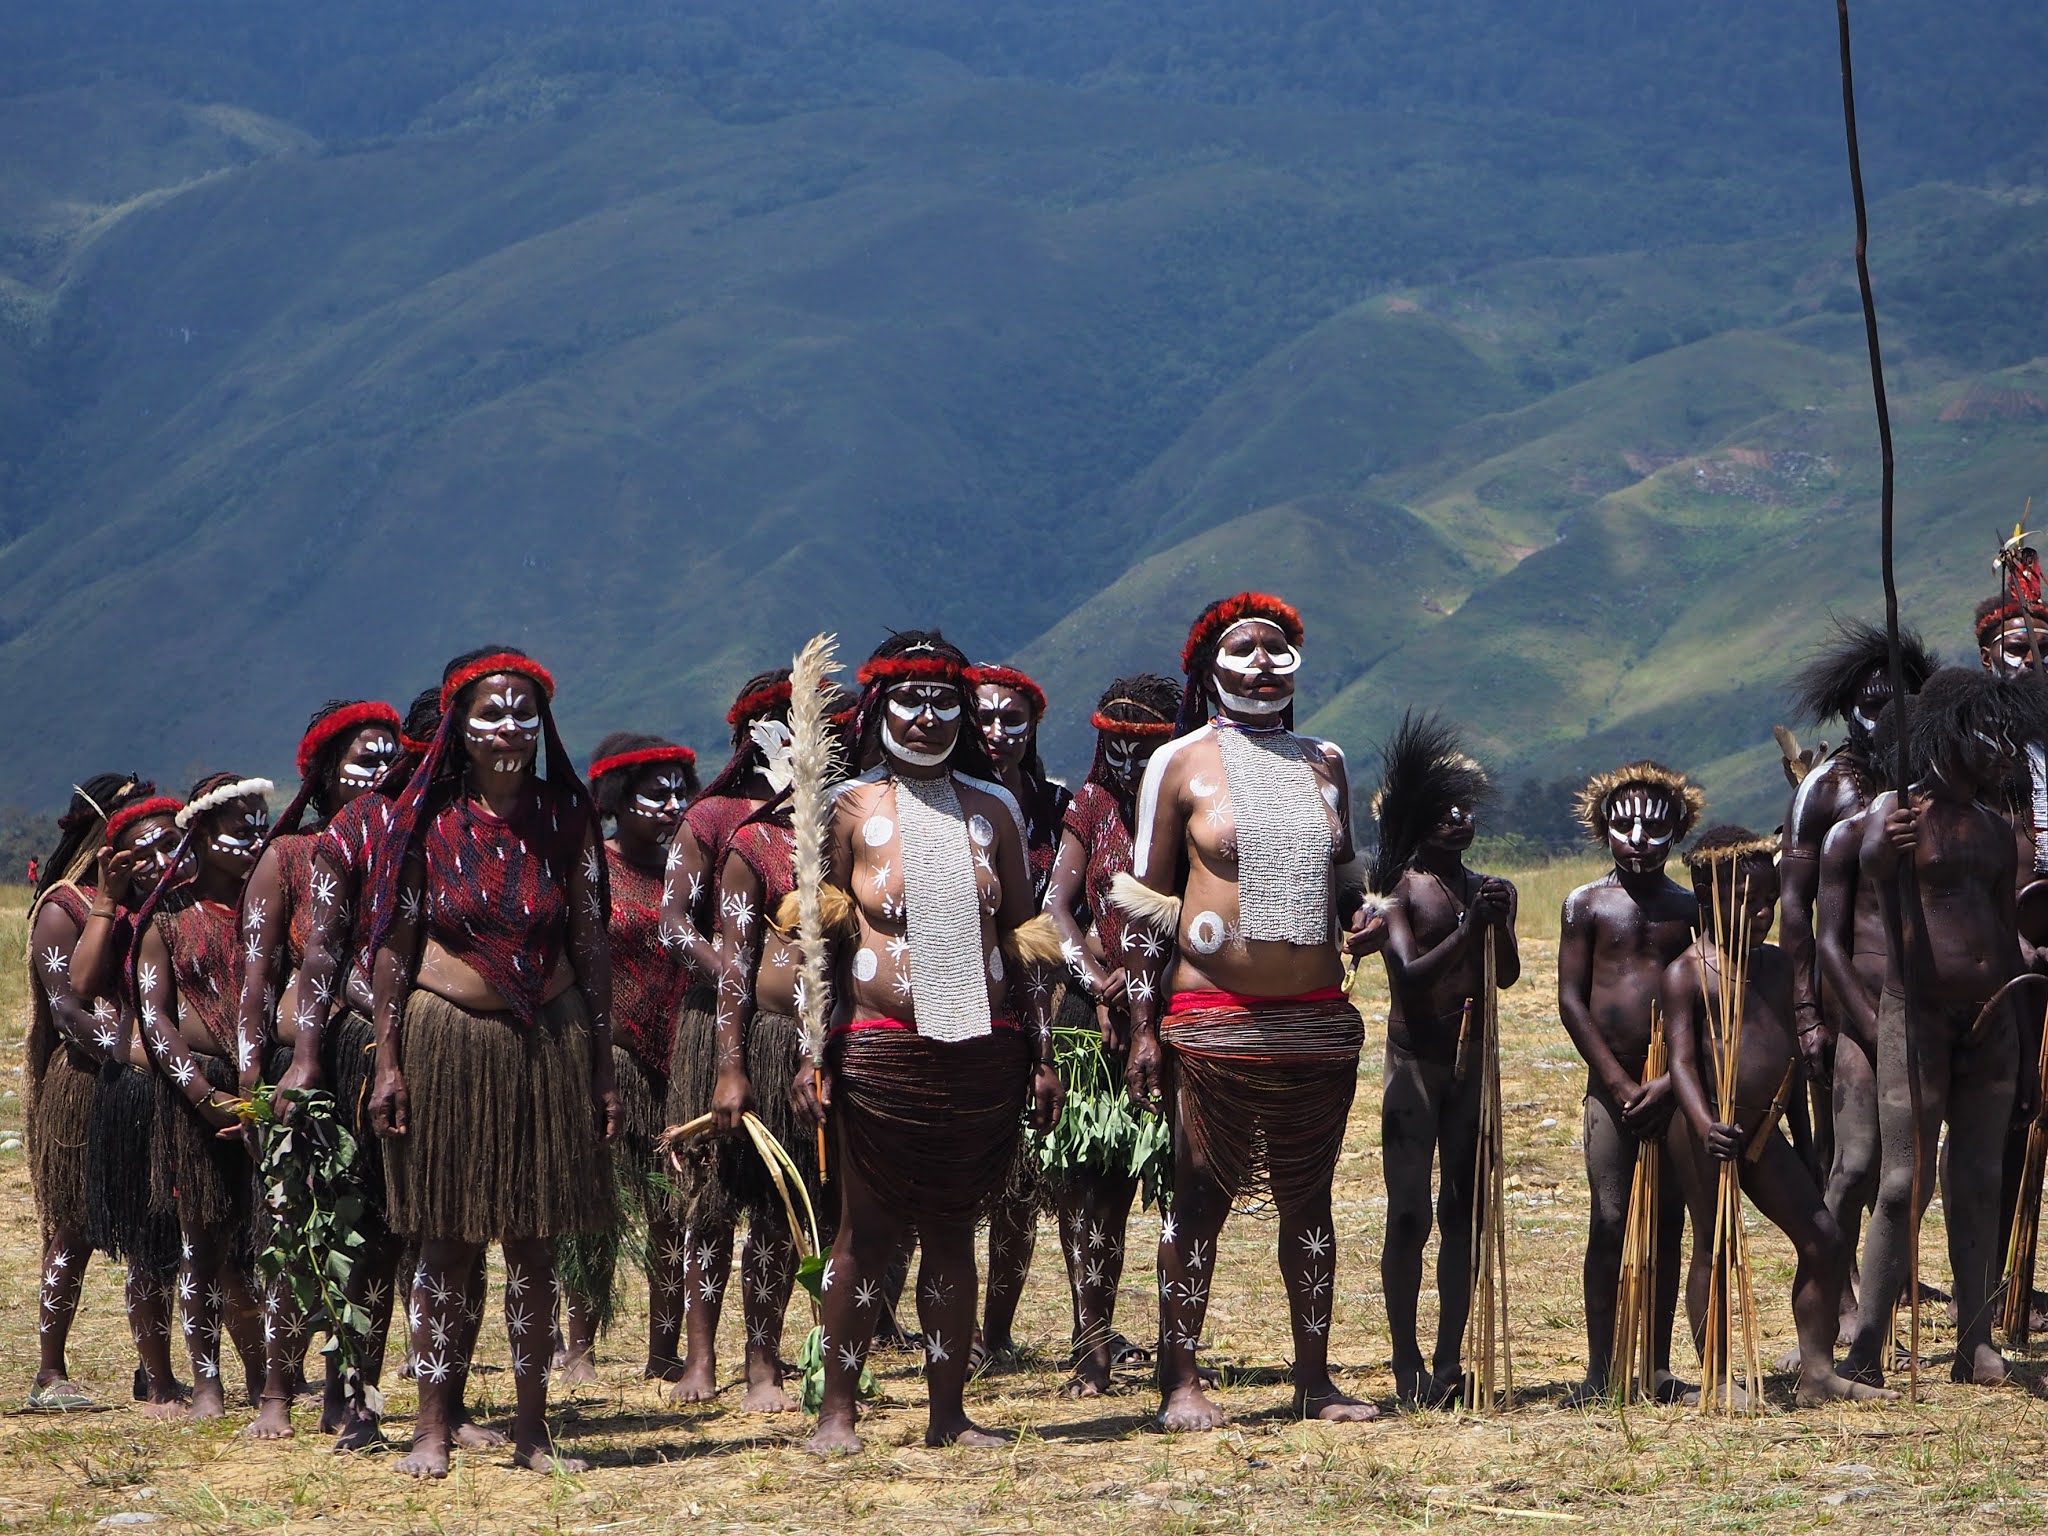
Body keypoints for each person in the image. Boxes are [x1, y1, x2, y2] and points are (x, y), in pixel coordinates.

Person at [1117, 592, 1384, 1430]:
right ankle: (1181, 1381)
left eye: (1278, 649)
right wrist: (1141, 1029)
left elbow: (1345, 879)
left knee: (1312, 1199)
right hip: (1212, 1015)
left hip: (1315, 1018)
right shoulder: (1179, 763)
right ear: (1209, 667)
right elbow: (1142, 906)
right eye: (1245, 649)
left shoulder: (1326, 761)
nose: (1263, 663)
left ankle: (1315, 1380)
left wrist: (1364, 915)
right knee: (1200, 1196)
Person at [792, 630, 1060, 1455]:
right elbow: (815, 939)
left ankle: (950, 1414)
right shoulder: (848, 807)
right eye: (910, 699)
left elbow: (1025, 938)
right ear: (879, 707)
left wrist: (1042, 1053)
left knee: (951, 1230)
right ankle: (838, 1413)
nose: (927, 716)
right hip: (879, 1050)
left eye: (945, 701)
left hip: (979, 1052)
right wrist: (811, 1053)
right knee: (865, 1234)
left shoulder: (994, 807)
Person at [365, 647, 618, 1476]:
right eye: (491, 713)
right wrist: (388, 1061)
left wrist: (602, 1066)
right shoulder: (423, 820)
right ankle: (431, 1428)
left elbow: (591, 940)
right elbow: (395, 946)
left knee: (535, 1244)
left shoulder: (567, 816)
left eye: (523, 712)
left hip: (550, 1037)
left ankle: (533, 1432)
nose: (509, 726)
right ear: (460, 729)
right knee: (445, 1242)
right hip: (449, 1041)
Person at [1840, 667, 2044, 1389]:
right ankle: (1867, 1344)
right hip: (1918, 1016)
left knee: (1981, 1177)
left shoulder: (1994, 829)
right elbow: (1870, 868)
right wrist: (1882, 845)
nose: (2002, 751)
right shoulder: (1898, 815)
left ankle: (1975, 1342)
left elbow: (2009, 932)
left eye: (2009, 738)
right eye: (1990, 736)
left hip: (1994, 1018)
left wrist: (2024, 1045)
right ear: (1952, 732)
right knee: (1902, 1182)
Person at [284, 688, 464, 1452]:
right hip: (363, 1049)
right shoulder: (359, 827)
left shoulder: (469, 822)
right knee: (365, 1231)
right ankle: (351, 1399)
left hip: (454, 1049)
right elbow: (321, 951)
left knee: (447, 1227)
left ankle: (446, 1406)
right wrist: (305, 1057)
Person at [1661, 827, 1895, 1407]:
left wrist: (1804, 1140)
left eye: (1770, 900)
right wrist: (1704, 1124)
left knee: (1823, 1238)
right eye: (1749, 901)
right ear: (1708, 897)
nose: (1763, 913)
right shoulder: (1688, 973)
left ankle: (1818, 1373)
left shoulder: (1774, 965)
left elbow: (1788, 1056)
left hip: (1765, 1129)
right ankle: (1718, 1379)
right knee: (1713, 1246)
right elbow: (1681, 1063)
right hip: (1706, 1131)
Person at [235, 699, 402, 1441]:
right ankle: (277, 1390)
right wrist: (252, 1082)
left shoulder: (404, 842)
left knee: (377, 1234)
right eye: (366, 758)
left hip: (376, 1063)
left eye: (391, 757)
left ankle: (353, 1392)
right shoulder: (288, 857)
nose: (380, 770)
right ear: (327, 770)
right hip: (300, 1068)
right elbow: (255, 979)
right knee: (296, 1228)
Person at [701, 683, 857, 1411]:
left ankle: (839, 1353)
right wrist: (731, 1067)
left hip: (858, 1040)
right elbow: (734, 967)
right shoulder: (754, 843)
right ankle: (760, 1360)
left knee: (846, 1208)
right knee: (774, 1207)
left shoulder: (867, 833)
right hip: (770, 1040)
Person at [1369, 712, 1520, 1407]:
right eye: (1443, 812)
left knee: (1464, 1211)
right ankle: (1406, 1359)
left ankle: (1451, 1359)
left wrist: (1499, 924)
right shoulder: (1401, 889)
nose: (1458, 822)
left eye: (1465, 811)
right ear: (1417, 820)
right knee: (1410, 1214)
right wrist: (1469, 929)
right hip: (1415, 1066)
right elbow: (1409, 974)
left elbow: (1506, 975)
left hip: (1472, 1065)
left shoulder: (1488, 888)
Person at [1038, 673, 1182, 1396]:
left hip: (1179, 1014)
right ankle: (1091, 1346)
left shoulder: (1191, 804)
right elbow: (1055, 906)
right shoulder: (1091, 806)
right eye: (1115, 746)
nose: (1127, 762)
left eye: (1143, 747)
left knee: (1179, 1184)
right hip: (1090, 1021)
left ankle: (1179, 1354)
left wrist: (1154, 982)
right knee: (1091, 1190)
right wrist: (1097, 979)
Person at [131, 774, 277, 1420]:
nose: (254, 840)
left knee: (266, 1240)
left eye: (261, 826)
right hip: (195, 1097)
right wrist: (200, 1092)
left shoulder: (269, 910)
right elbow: (154, 1018)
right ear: (202, 835)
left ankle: (271, 1375)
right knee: (200, 1241)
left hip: (263, 1091)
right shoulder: (165, 920)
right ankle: (207, 1382)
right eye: (240, 829)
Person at [1555, 761, 1702, 1403]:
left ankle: (1657, 1366)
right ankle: (1601, 1369)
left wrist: (1671, 1081)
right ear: (1603, 828)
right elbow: (1571, 1000)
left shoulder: (1691, 909)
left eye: (1653, 827)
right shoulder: (1586, 905)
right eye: (1625, 826)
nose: (1639, 839)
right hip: (1610, 1088)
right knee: (1611, 1217)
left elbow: (1707, 1001)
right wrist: (1615, 1082)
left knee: (1667, 1222)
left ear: (1677, 830)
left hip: (1673, 1087)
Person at [661, 671, 789, 1400]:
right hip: (714, 1029)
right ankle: (700, 1359)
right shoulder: (712, 816)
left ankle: (762, 1360)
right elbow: (673, 924)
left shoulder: (826, 815)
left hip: (792, 1035)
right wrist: (736, 974)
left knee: (777, 1199)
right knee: (711, 1201)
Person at [557, 733, 698, 1386]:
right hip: (608, 1060)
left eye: (679, 793)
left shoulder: (690, 874)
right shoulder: (592, 869)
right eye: (654, 794)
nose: (671, 806)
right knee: (598, 1209)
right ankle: (580, 1349)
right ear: (617, 799)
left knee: (673, 1209)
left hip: (680, 1061)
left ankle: (664, 1352)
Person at [1779, 619, 1937, 1187]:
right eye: (1872, 706)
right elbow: (1795, 908)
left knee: (1909, 1154)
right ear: (1849, 711)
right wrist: (1806, 1014)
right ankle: (1837, 1246)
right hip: (1843, 991)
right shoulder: (1824, 789)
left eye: (1900, 704)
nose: (1885, 718)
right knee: (1847, 1153)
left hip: (1923, 990)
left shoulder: (1937, 784)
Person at [23, 775, 156, 1411]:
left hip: (142, 1079)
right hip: (84, 1085)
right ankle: (49, 1372)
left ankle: (155, 1369)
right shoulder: (63, 907)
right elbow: (69, 1012)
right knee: (74, 1228)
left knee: (151, 1225)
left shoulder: (149, 901)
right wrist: (137, 1058)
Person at [966, 661, 1071, 1370]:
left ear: (1034, 729)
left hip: (1045, 1006)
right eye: (984, 717)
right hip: (955, 1005)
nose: (997, 731)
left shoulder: (1057, 806)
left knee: (1021, 1184)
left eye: (1013, 720)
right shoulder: (945, 802)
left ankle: (996, 1332)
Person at [76, 791, 189, 1416]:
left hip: (204, 1089)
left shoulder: (212, 904)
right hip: (139, 1092)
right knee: (148, 1241)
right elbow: (82, 983)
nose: (159, 862)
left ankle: (242, 1376)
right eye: (141, 855)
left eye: (170, 844)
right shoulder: (118, 921)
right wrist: (106, 898)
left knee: (214, 1240)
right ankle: (159, 1377)